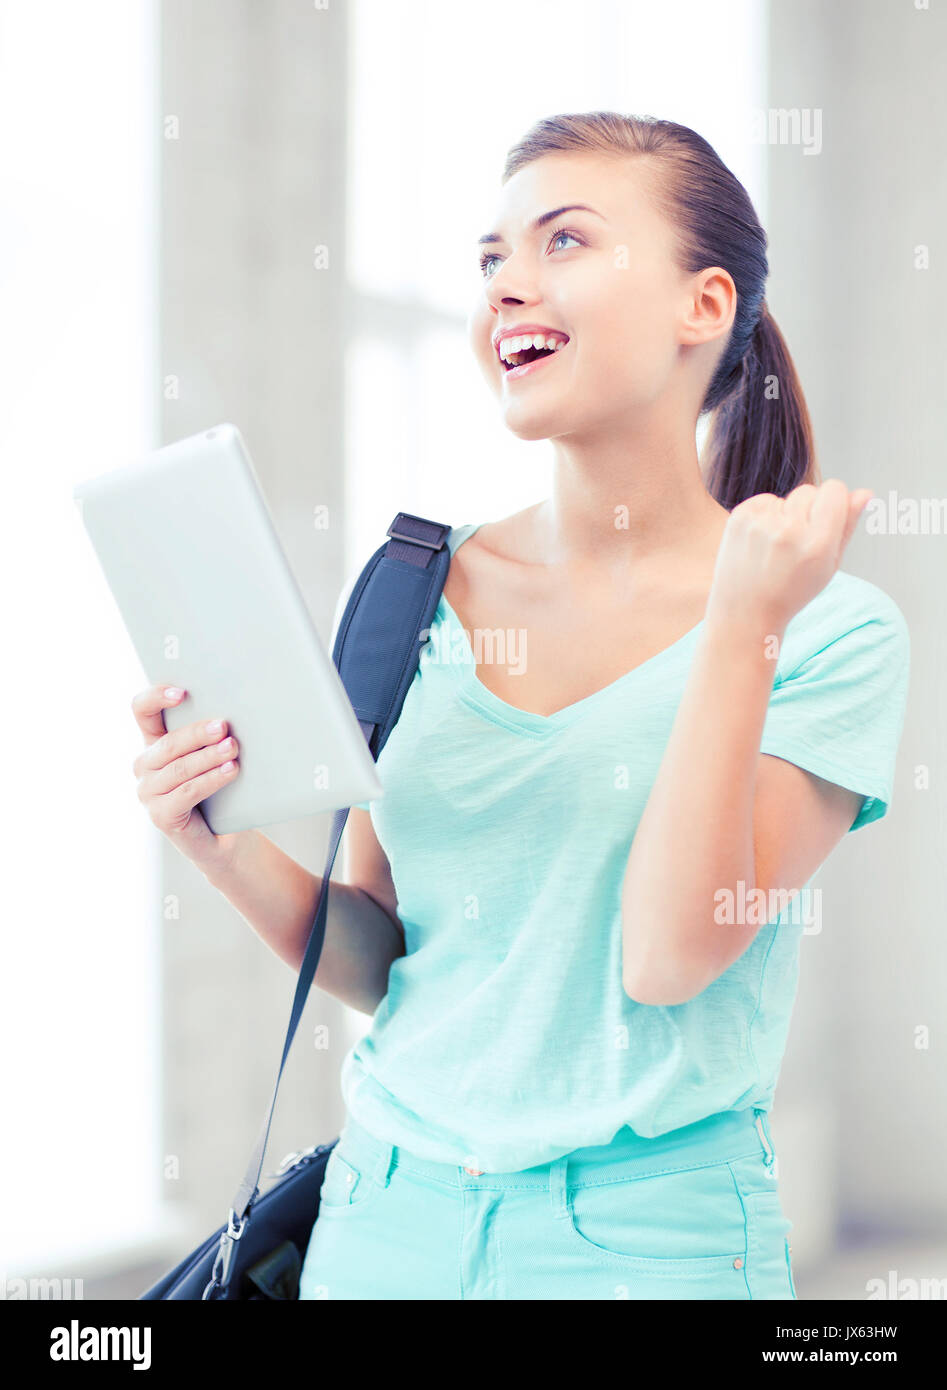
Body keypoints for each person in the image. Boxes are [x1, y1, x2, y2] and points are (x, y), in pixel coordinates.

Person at [131, 113, 910, 1300]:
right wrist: (220, 844)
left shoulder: (825, 629)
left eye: (563, 243)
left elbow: (665, 956)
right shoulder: (411, 590)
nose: (506, 287)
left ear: (702, 306)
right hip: (385, 1222)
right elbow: (391, 956)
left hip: (650, 1242)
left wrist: (741, 626)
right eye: (490, 258)